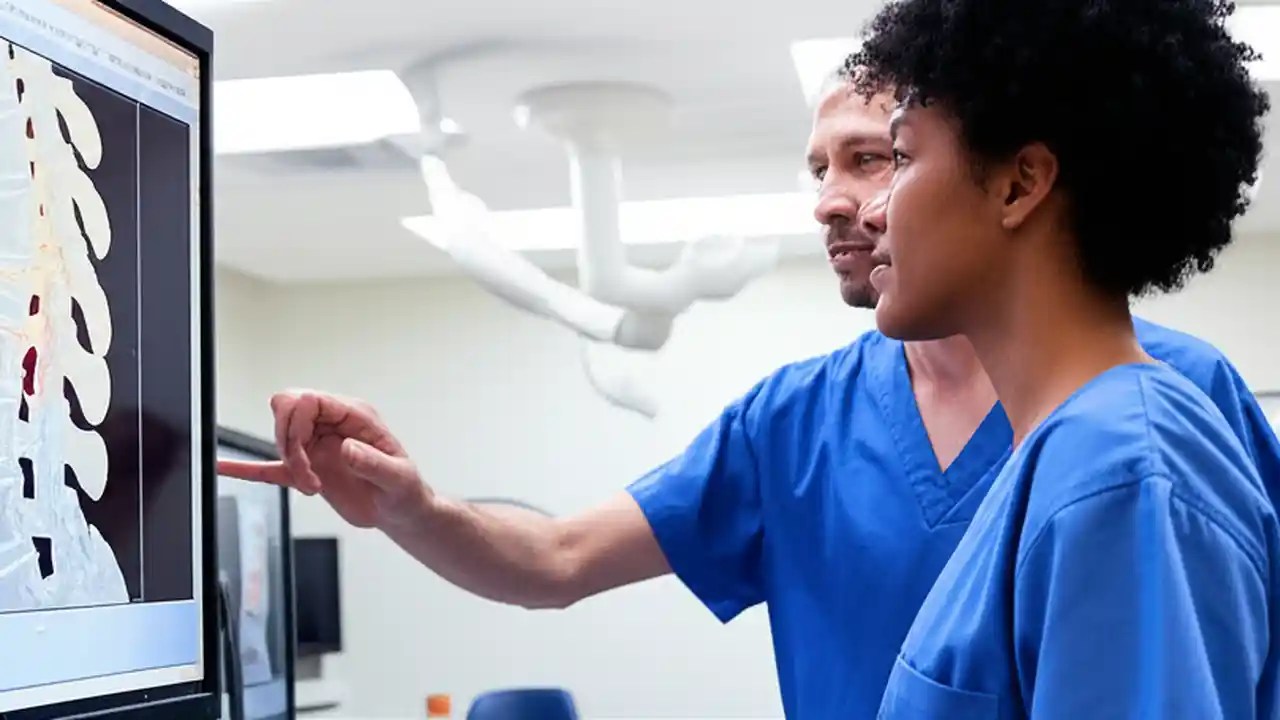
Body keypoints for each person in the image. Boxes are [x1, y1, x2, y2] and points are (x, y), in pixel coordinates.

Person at [219, 63, 1280, 720]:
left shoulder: (1138, 431)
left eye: (881, 157)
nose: (834, 203)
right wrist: (408, 506)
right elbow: (553, 561)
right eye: (815, 169)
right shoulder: (797, 421)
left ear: (1014, 177)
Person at [847, 0, 1274, 717]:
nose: (871, 212)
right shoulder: (1066, 455)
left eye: (901, 157)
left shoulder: (1123, 472)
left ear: (1020, 184)